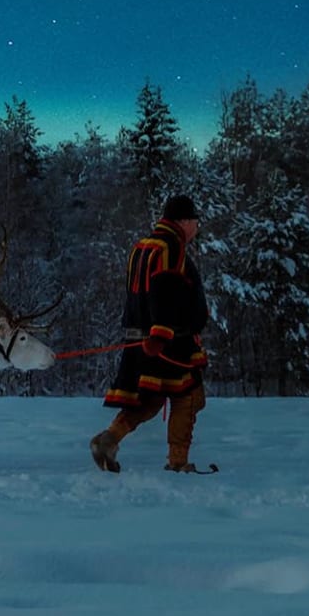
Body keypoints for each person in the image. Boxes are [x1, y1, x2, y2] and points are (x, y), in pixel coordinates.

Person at [89, 194, 210, 474]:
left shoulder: (142, 246)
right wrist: (160, 334)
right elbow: (163, 291)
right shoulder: (170, 248)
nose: (196, 228)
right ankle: (178, 462)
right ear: (183, 221)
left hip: (141, 338)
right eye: (195, 222)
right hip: (166, 341)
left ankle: (108, 440)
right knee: (189, 396)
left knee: (150, 398)